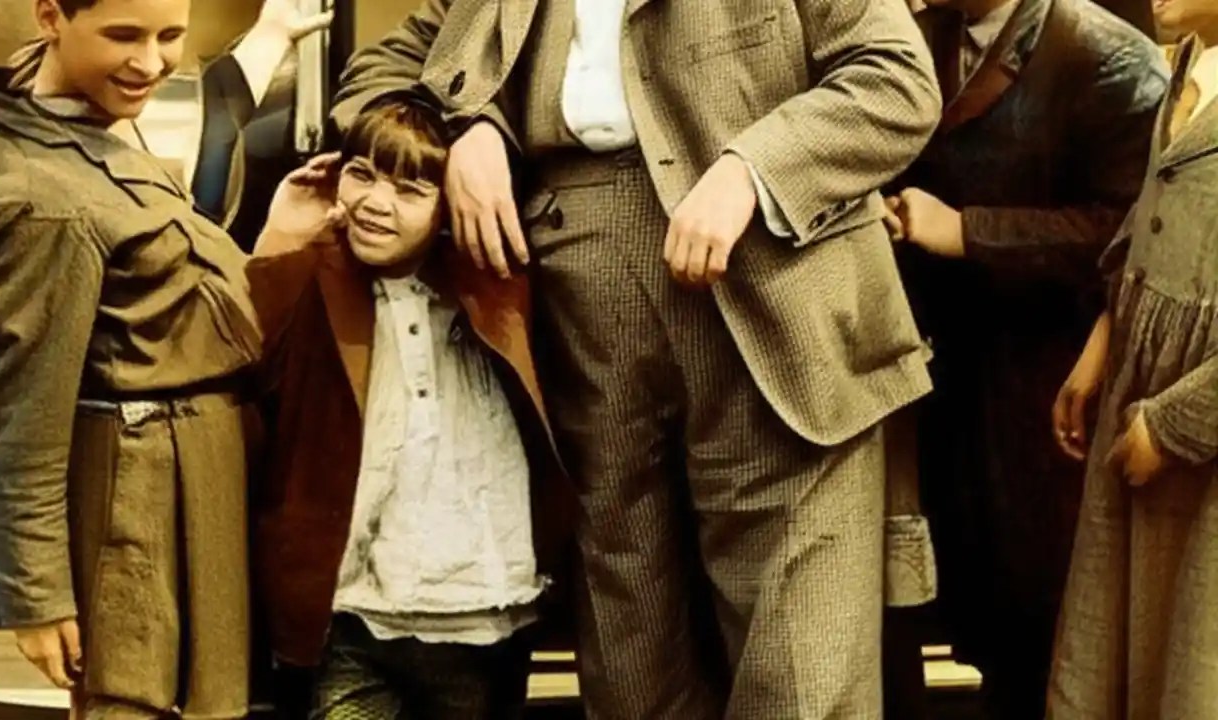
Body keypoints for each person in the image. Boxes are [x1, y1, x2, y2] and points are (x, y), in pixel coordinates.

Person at [330, 1, 943, 717]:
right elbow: (376, 71)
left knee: (799, 659)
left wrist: (753, 170)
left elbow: (897, 80)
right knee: (630, 647)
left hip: (777, 293)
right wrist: (463, 130)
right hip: (581, 304)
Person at [0, 0, 328, 717]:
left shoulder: (85, 105)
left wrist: (272, 34)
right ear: (50, 17)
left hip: (201, 467)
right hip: (140, 489)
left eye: (170, 36)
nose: (151, 63)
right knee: (134, 702)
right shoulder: (37, 198)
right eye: (123, 36)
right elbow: (15, 417)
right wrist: (35, 597)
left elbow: (205, 127)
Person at [879, 0, 1167, 717]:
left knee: (1049, 624)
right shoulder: (914, 39)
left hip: (1054, 390)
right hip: (952, 382)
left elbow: (1135, 235)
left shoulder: (1112, 59)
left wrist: (969, 232)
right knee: (981, 618)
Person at [244, 97, 573, 719]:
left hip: (482, 613)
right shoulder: (319, 283)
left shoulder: (495, 295)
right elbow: (241, 360)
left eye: (409, 189)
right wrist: (282, 237)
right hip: (351, 616)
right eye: (361, 174)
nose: (375, 203)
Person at [1047, 1, 1218, 716]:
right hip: (1137, 382)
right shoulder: (1186, 61)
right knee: (1111, 657)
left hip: (1197, 417)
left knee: (1190, 660)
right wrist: (1104, 340)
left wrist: (1177, 426)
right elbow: (1152, 212)